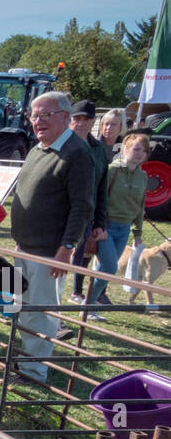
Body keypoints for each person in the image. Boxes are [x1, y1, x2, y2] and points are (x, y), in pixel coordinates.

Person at [8, 91, 94, 385]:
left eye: (46, 115)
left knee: (40, 312)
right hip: (25, 247)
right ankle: (24, 361)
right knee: (21, 307)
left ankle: (34, 372)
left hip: (49, 251)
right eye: (34, 115)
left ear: (66, 118)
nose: (38, 121)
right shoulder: (37, 149)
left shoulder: (76, 154)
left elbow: (82, 205)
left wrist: (66, 248)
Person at [87, 132, 150, 310]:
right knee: (109, 267)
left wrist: (137, 233)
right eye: (136, 149)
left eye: (144, 151)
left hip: (124, 230)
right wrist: (97, 224)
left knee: (104, 269)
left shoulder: (142, 176)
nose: (140, 154)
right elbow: (98, 196)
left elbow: (140, 205)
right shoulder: (112, 170)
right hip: (106, 226)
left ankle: (89, 304)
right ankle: (89, 304)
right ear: (126, 149)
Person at [65, 100, 109, 306]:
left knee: (82, 256)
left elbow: (102, 188)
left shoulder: (99, 149)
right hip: (62, 213)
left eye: (86, 119)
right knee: (59, 259)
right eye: (77, 118)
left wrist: (100, 222)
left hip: (87, 214)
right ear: (69, 119)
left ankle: (76, 292)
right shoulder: (62, 144)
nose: (81, 123)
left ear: (93, 122)